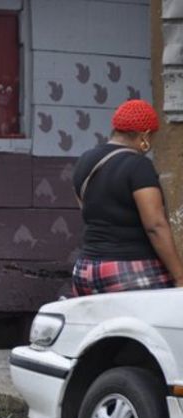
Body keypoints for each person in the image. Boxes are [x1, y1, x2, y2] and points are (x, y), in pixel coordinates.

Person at [71, 99, 183, 296]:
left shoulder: (84, 161)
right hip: (126, 270)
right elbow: (155, 226)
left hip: (85, 270)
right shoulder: (139, 166)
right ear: (145, 136)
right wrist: (180, 277)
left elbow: (85, 210)